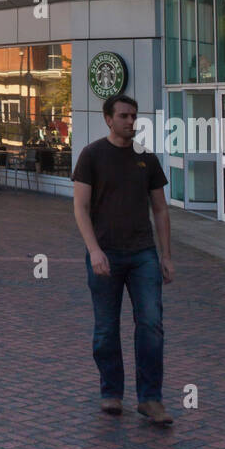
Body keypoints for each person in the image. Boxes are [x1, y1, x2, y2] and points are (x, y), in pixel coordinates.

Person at [72, 94, 174, 426]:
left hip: (143, 253)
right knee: (106, 328)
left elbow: (160, 209)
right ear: (108, 119)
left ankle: (150, 399)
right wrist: (94, 250)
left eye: (134, 115)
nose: (131, 121)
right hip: (106, 253)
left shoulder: (147, 158)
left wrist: (166, 255)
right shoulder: (92, 155)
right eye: (124, 116)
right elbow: (80, 208)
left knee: (151, 325)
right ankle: (111, 391)